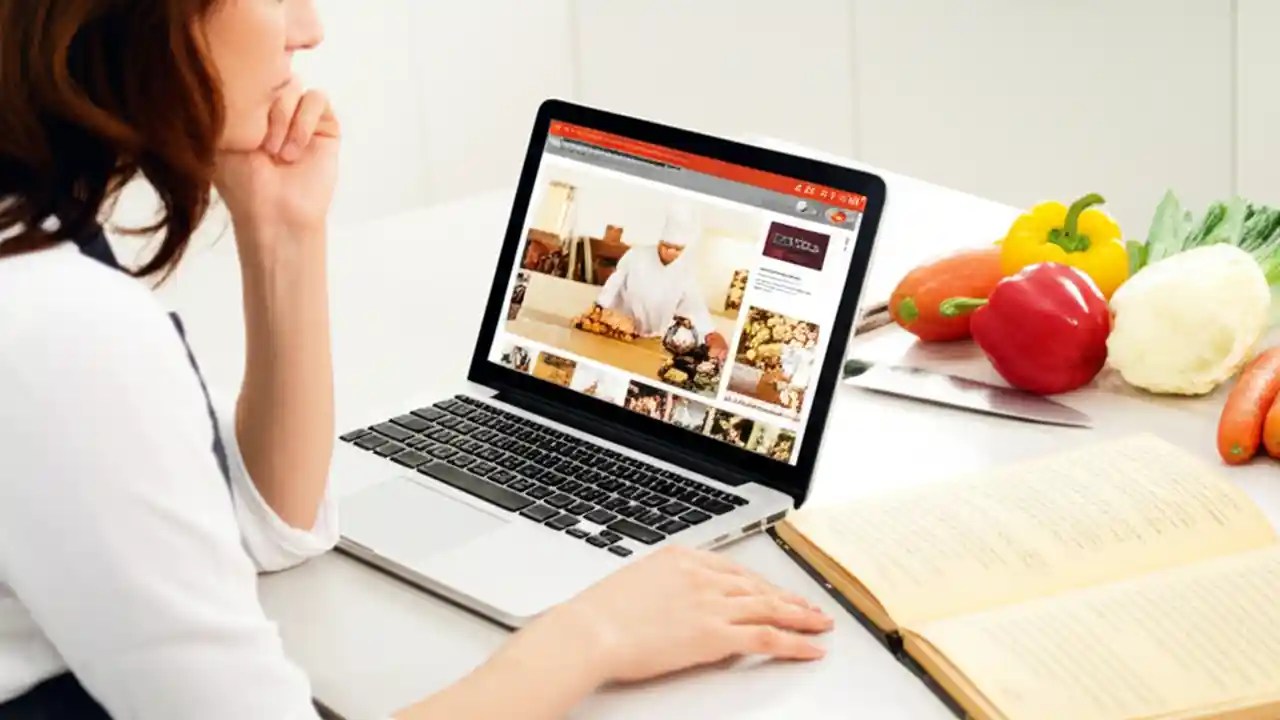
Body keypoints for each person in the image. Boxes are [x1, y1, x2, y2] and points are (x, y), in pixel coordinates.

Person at [0, 2, 833, 719]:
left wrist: (284, 232)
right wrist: (591, 636)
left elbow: (262, 524)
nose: (308, 29)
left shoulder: (38, 251)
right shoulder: (64, 330)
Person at [594, 205, 731, 361]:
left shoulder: (685, 272)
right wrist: (600, 306)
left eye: (677, 249)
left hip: (653, 339)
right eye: (667, 246)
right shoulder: (636, 255)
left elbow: (695, 306)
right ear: (660, 241)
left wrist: (711, 333)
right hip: (620, 331)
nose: (670, 253)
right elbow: (614, 283)